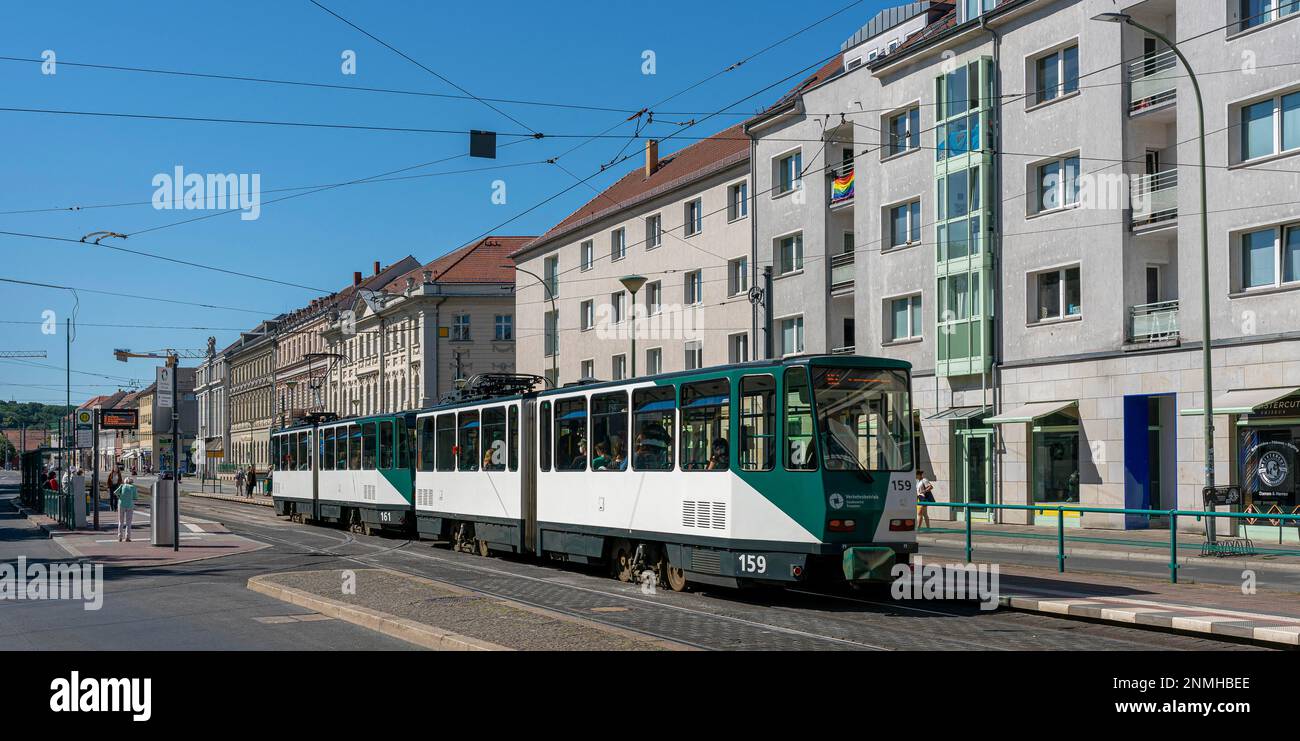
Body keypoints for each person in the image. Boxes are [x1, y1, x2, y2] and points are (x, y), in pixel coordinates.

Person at [115, 476, 138, 542]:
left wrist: (120, 497)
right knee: (128, 522)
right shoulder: (133, 487)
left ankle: (120, 537)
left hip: (121, 504)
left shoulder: (122, 486)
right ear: (131, 482)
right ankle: (127, 537)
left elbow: (115, 492)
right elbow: (135, 497)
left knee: (120, 521)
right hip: (130, 505)